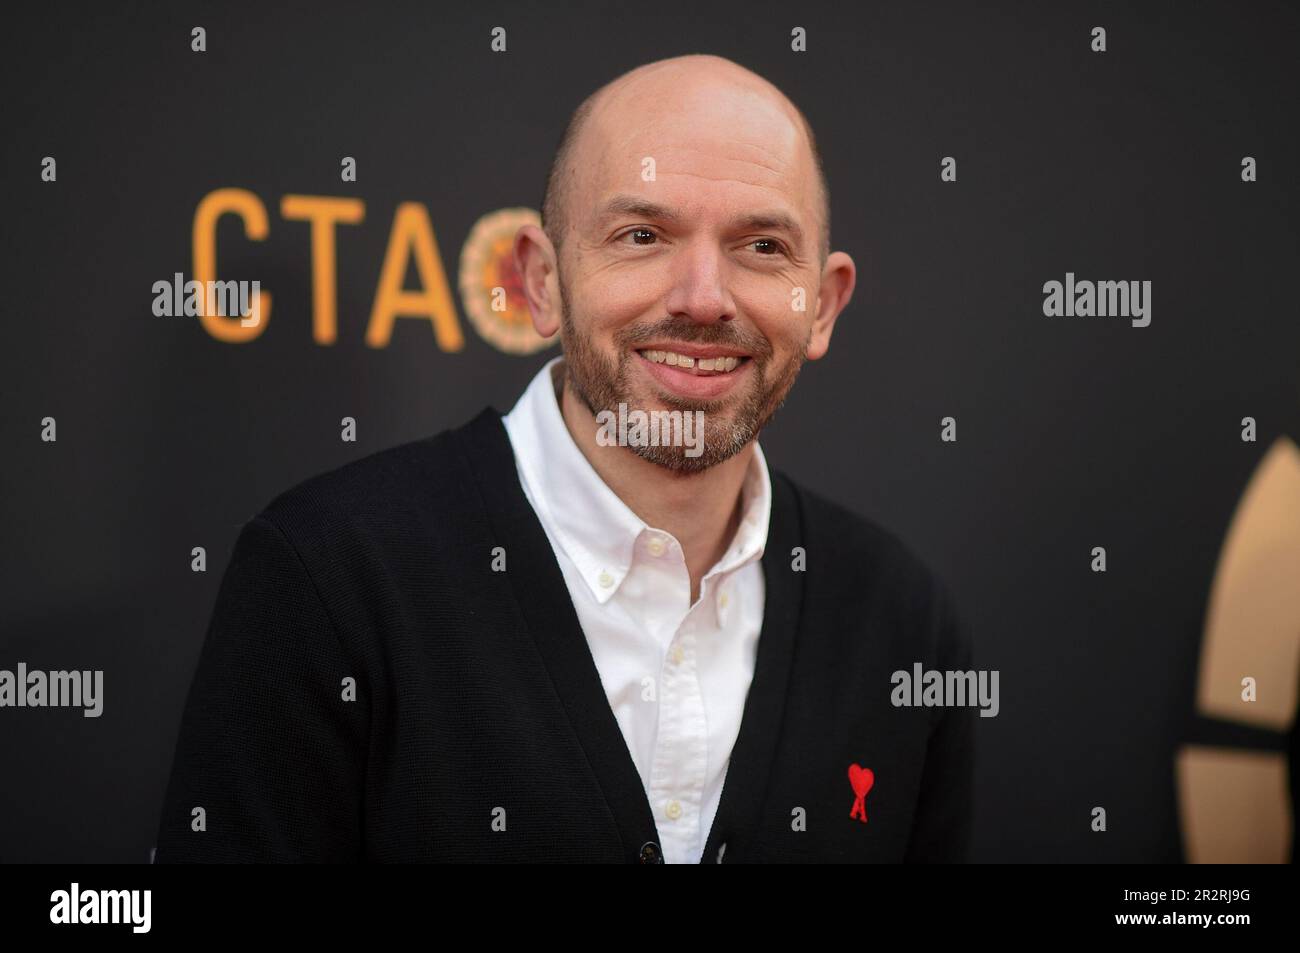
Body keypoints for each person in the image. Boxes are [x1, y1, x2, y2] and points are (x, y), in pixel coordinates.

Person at [155, 53, 974, 863]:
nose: (701, 296)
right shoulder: (329, 574)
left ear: (822, 305)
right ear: (541, 280)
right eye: (642, 235)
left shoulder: (902, 621)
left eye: (761, 246)